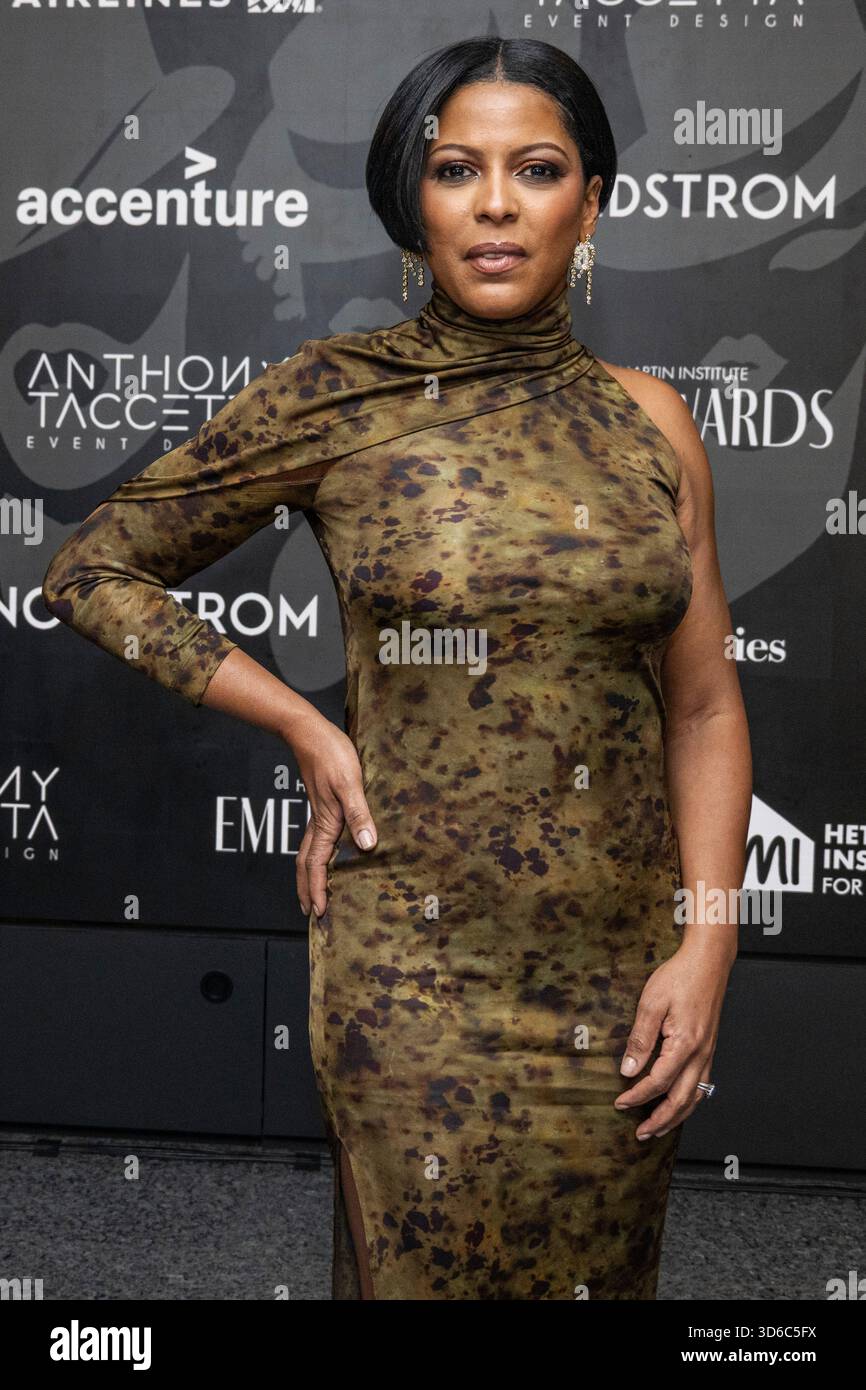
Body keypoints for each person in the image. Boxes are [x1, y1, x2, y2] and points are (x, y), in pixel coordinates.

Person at [41, 35, 751, 1300]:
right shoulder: (338, 397)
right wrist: (301, 724)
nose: (494, 204)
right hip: (411, 971)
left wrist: (706, 947)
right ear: (410, 203)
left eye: (536, 170)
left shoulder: (652, 423)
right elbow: (94, 571)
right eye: (454, 170)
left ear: (590, 203)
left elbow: (701, 710)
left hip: (620, 969)